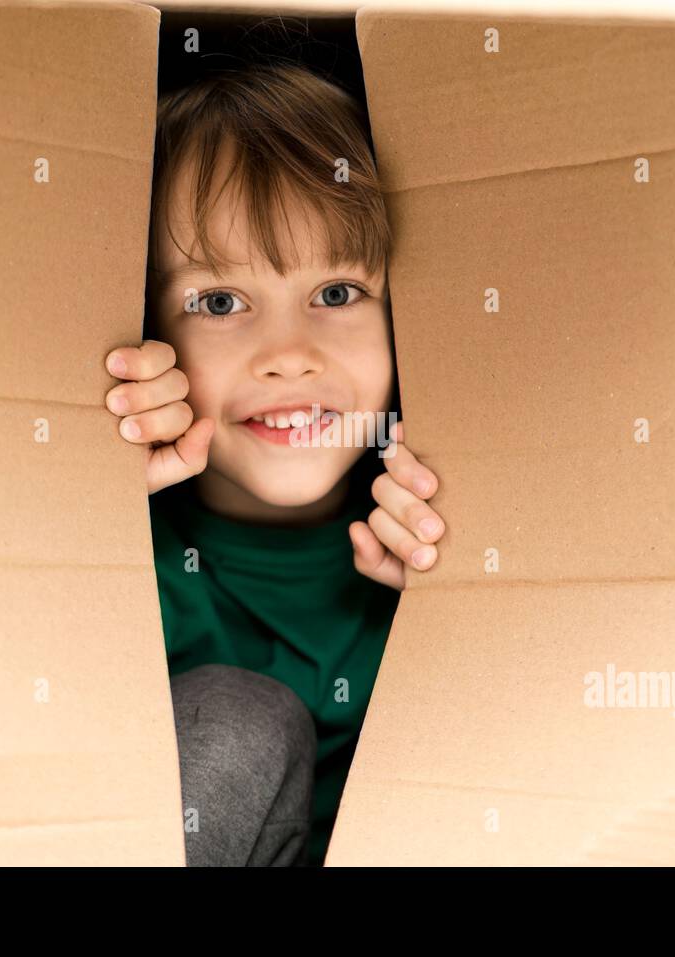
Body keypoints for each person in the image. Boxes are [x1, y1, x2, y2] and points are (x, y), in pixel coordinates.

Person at [103, 61, 446, 866]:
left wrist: (466, 613)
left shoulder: (440, 530)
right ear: (146, 329)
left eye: (337, 293)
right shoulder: (131, 560)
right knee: (238, 721)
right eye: (220, 303)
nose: (289, 356)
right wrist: (85, 512)